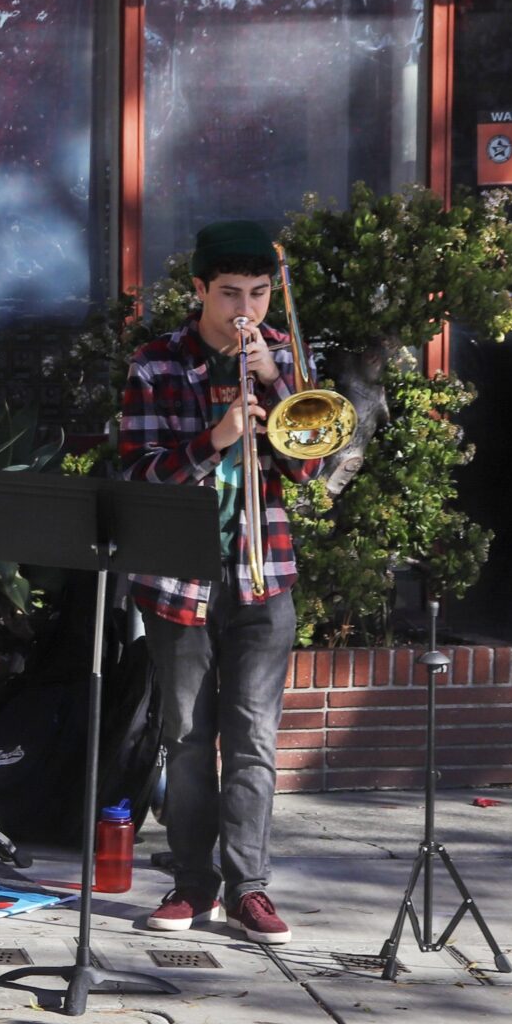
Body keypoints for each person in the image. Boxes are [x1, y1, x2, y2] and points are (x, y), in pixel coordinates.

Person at [116, 219, 323, 947]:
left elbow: (312, 469)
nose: (246, 310)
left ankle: (250, 888)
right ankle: (193, 883)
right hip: (180, 583)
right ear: (199, 288)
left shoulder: (284, 359)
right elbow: (139, 474)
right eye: (230, 293)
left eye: (260, 293)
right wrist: (216, 439)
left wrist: (274, 380)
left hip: (264, 578)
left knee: (255, 741)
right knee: (186, 737)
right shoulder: (155, 365)